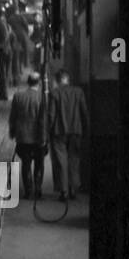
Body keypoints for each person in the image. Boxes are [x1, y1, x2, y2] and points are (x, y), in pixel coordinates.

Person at [48, 69, 88, 200]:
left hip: (59, 132)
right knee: (74, 160)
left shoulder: (55, 93)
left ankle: (64, 191)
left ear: (58, 81)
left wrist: (47, 131)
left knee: (61, 162)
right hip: (76, 131)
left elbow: (51, 115)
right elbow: (84, 112)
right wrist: (86, 129)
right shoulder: (79, 92)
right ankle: (73, 189)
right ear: (68, 79)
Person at [8, 71, 47, 200]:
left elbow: (13, 116)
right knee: (39, 163)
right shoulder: (43, 97)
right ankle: (38, 188)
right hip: (39, 137)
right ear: (39, 83)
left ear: (28, 82)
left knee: (26, 163)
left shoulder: (18, 96)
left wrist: (12, 131)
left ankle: (28, 190)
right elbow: (46, 118)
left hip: (23, 136)